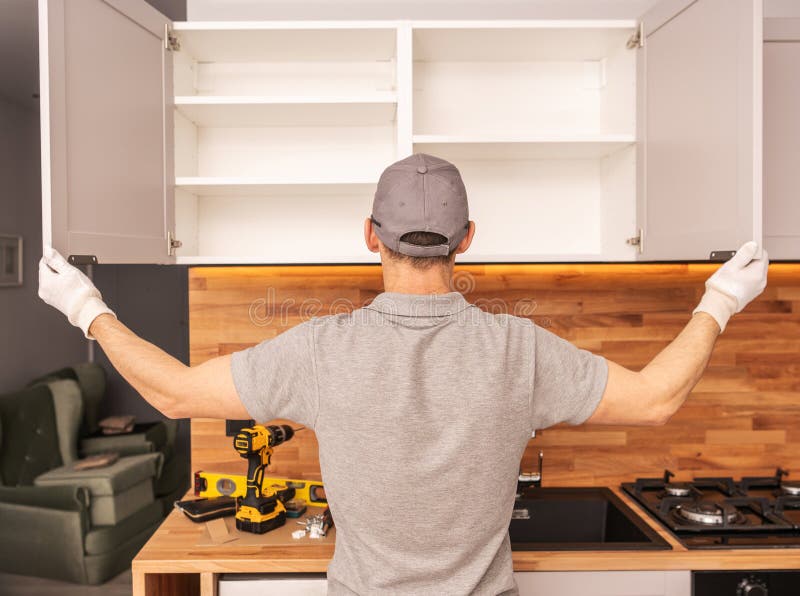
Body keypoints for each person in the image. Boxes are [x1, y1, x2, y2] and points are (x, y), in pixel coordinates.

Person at [39, 154, 768, 595]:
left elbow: (171, 391)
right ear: (468, 241)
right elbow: (656, 399)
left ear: (370, 236)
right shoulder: (521, 350)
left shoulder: (320, 351)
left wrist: (85, 305)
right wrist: (721, 298)